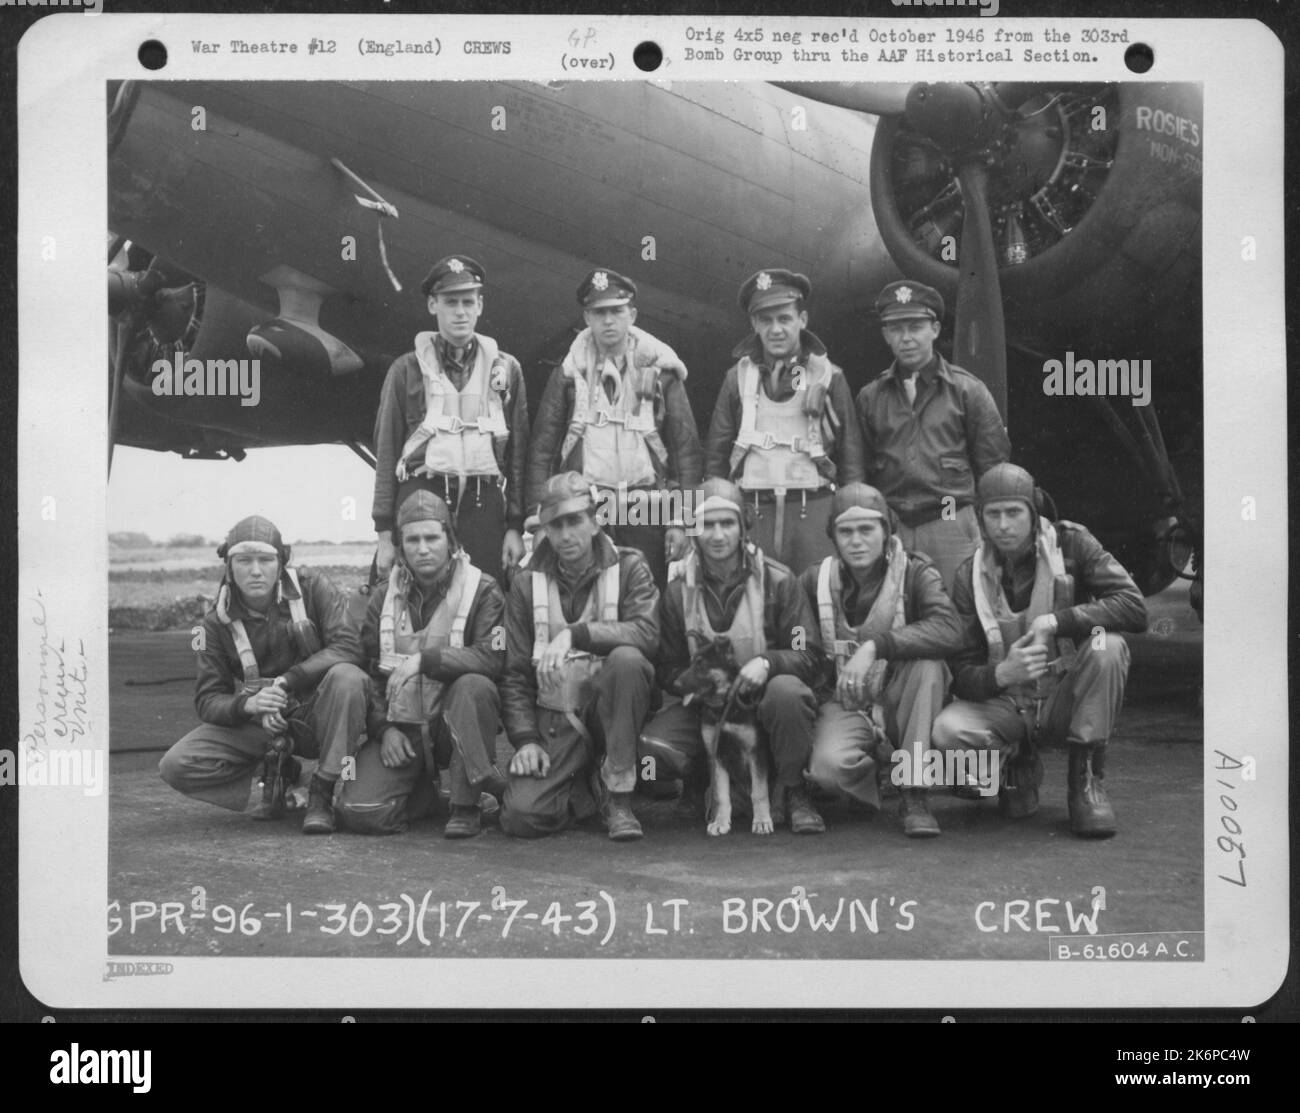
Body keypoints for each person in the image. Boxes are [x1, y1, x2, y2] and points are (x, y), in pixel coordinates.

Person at [932, 464, 1149, 837]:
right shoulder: (968, 575)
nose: (1004, 525)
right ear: (981, 520)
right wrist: (1001, 673)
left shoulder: (1072, 545)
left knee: (1107, 645)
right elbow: (962, 671)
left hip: (1065, 695)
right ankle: (1018, 763)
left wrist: (1056, 621)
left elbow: (1134, 607)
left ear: (1034, 513)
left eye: (1014, 512)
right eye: (993, 514)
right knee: (948, 730)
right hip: (1009, 702)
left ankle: (1085, 783)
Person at [640, 478, 827, 834]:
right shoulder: (678, 591)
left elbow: (810, 653)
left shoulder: (779, 580)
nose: (717, 534)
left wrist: (770, 662)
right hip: (709, 707)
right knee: (652, 750)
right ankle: (697, 785)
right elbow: (666, 665)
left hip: (767, 701)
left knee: (788, 692)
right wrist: (700, 685)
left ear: (743, 528)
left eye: (727, 523)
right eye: (707, 525)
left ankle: (794, 789)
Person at [158, 515, 367, 834]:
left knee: (348, 677)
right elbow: (207, 700)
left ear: (281, 562)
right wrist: (249, 706)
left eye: (266, 560)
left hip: (318, 715)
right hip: (262, 724)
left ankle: (321, 792)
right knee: (176, 765)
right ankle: (281, 771)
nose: (255, 570)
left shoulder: (313, 588)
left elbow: (350, 646)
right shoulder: (213, 624)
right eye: (244, 560)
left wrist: (287, 681)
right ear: (229, 565)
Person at [499, 472, 660, 841]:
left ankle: (618, 795)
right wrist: (525, 739)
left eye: (575, 521)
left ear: (596, 520)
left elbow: (648, 634)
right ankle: (582, 791)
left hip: (616, 712)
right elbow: (513, 673)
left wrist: (576, 634)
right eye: (555, 525)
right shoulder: (525, 583)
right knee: (521, 819)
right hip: (558, 718)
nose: (566, 534)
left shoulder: (631, 566)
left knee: (628, 660)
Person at [336, 491, 507, 838]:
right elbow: (369, 671)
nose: (423, 548)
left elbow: (493, 656)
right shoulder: (382, 597)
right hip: (404, 728)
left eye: (432, 537)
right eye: (412, 540)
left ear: (451, 539)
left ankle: (465, 803)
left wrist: (425, 660)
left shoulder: (485, 590)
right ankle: (430, 798)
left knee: (474, 686)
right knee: (358, 812)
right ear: (400, 546)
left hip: (454, 724)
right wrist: (384, 730)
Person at [800, 484, 961, 837]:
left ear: (887, 532)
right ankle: (871, 770)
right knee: (828, 771)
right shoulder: (815, 579)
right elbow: (802, 650)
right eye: (846, 531)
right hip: (845, 702)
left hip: (900, 696)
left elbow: (949, 629)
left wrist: (876, 645)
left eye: (867, 529)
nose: (857, 541)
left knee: (928, 666)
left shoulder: (917, 571)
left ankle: (914, 791)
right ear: (833, 537)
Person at [527, 268, 703, 587]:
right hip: (587, 507)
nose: (608, 320)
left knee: (647, 597)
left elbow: (686, 451)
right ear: (587, 317)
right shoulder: (568, 375)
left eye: (616, 311)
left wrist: (683, 520)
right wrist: (538, 519)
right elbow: (543, 450)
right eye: (599, 312)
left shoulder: (662, 372)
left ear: (631, 314)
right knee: (587, 596)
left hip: (646, 507)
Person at [371, 254, 529, 581]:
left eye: (468, 302)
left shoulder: (506, 369)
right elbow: (386, 451)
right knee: (410, 599)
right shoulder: (406, 371)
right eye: (450, 302)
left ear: (480, 305)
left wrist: (515, 526)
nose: (460, 311)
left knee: (489, 597)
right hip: (419, 496)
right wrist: (385, 534)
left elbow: (517, 455)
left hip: (482, 502)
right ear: (433, 305)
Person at [704, 269, 864, 572]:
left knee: (818, 599)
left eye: (785, 319)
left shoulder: (830, 376)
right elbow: (716, 455)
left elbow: (851, 455)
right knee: (755, 600)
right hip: (753, 513)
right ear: (754, 324)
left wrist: (854, 515)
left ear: (802, 320)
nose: (775, 329)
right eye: (766, 320)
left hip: (814, 512)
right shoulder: (737, 379)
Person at [855, 280, 1010, 590]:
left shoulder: (967, 390)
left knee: (958, 617)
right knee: (895, 616)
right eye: (896, 329)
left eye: (915, 327)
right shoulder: (871, 397)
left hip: (950, 524)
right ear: (886, 335)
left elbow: (994, 469)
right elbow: (861, 468)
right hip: (894, 527)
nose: (907, 338)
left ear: (935, 329)